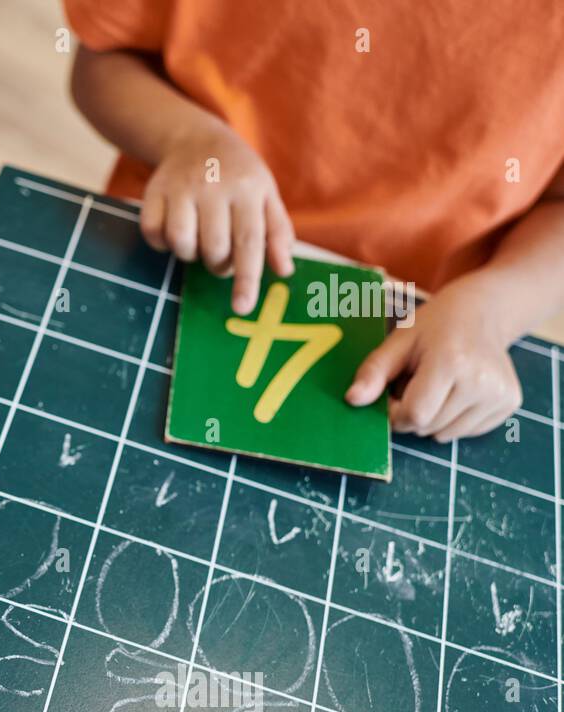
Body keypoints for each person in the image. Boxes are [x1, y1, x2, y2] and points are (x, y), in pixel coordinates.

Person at [65, 0, 564, 441]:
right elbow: (101, 60)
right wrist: (190, 140)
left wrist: (493, 308)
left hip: (423, 339)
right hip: (170, 257)